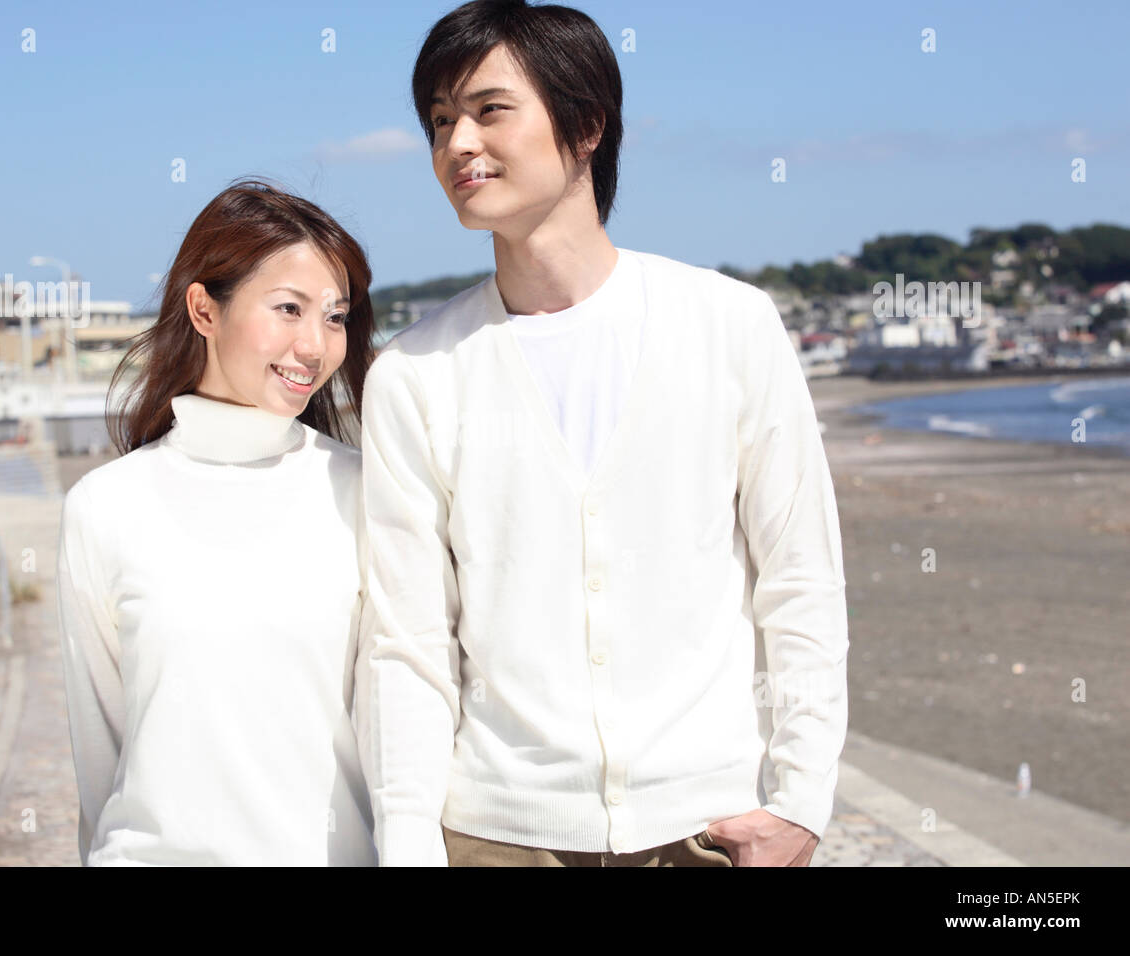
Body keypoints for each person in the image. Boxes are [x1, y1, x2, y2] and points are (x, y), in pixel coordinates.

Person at [355, 0, 849, 867]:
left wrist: (802, 802)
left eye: (488, 109)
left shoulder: (729, 325)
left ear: (585, 126)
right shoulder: (415, 372)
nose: (457, 144)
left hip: (708, 829)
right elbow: (408, 646)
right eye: (439, 121)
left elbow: (799, 578)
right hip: (495, 834)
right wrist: (407, 847)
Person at [57, 178, 378, 866]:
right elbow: (99, 749)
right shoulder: (105, 506)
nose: (315, 346)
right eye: (288, 308)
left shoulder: (361, 492)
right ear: (204, 308)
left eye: (334, 316)